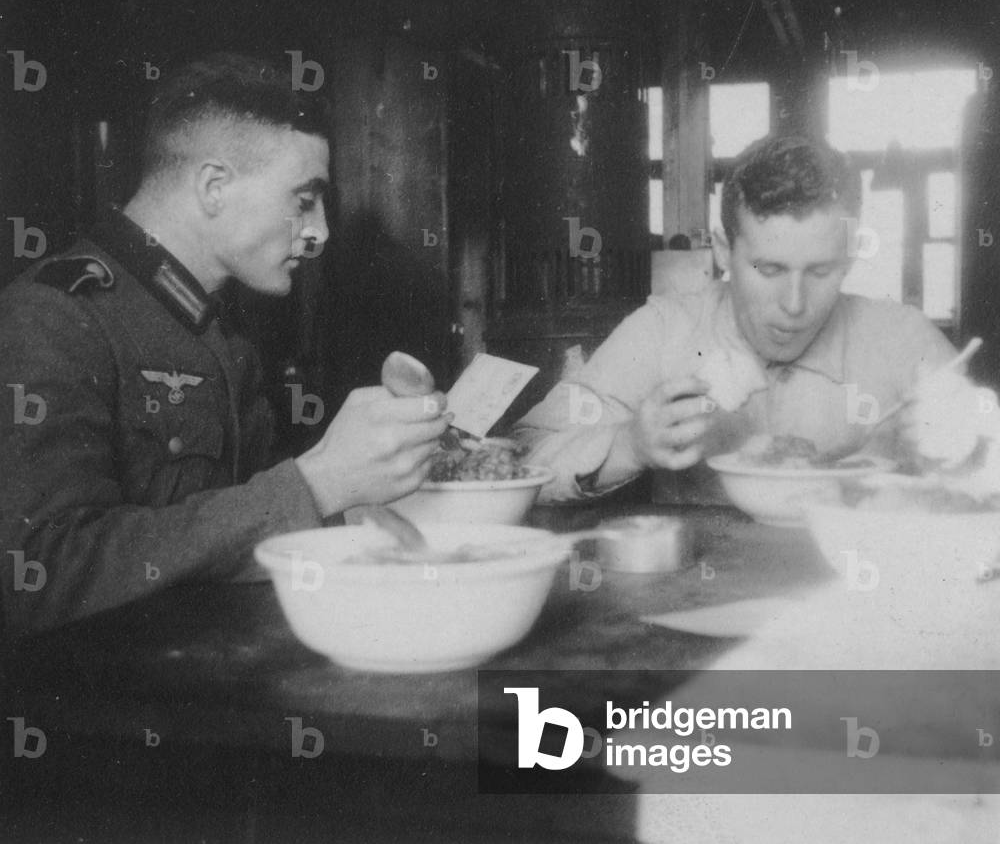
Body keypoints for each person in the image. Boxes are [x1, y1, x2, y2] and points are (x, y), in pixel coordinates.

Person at [0, 53, 450, 633]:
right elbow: (39, 572)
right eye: (303, 199)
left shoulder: (220, 331)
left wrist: (373, 475)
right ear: (214, 186)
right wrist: (318, 480)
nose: (320, 233)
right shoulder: (52, 316)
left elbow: (240, 523)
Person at [516, 135, 957, 502]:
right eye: (769, 269)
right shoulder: (664, 331)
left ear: (851, 254)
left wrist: (961, 450)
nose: (795, 304)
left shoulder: (903, 339)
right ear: (724, 249)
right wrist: (629, 444)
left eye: (821, 271)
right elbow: (525, 457)